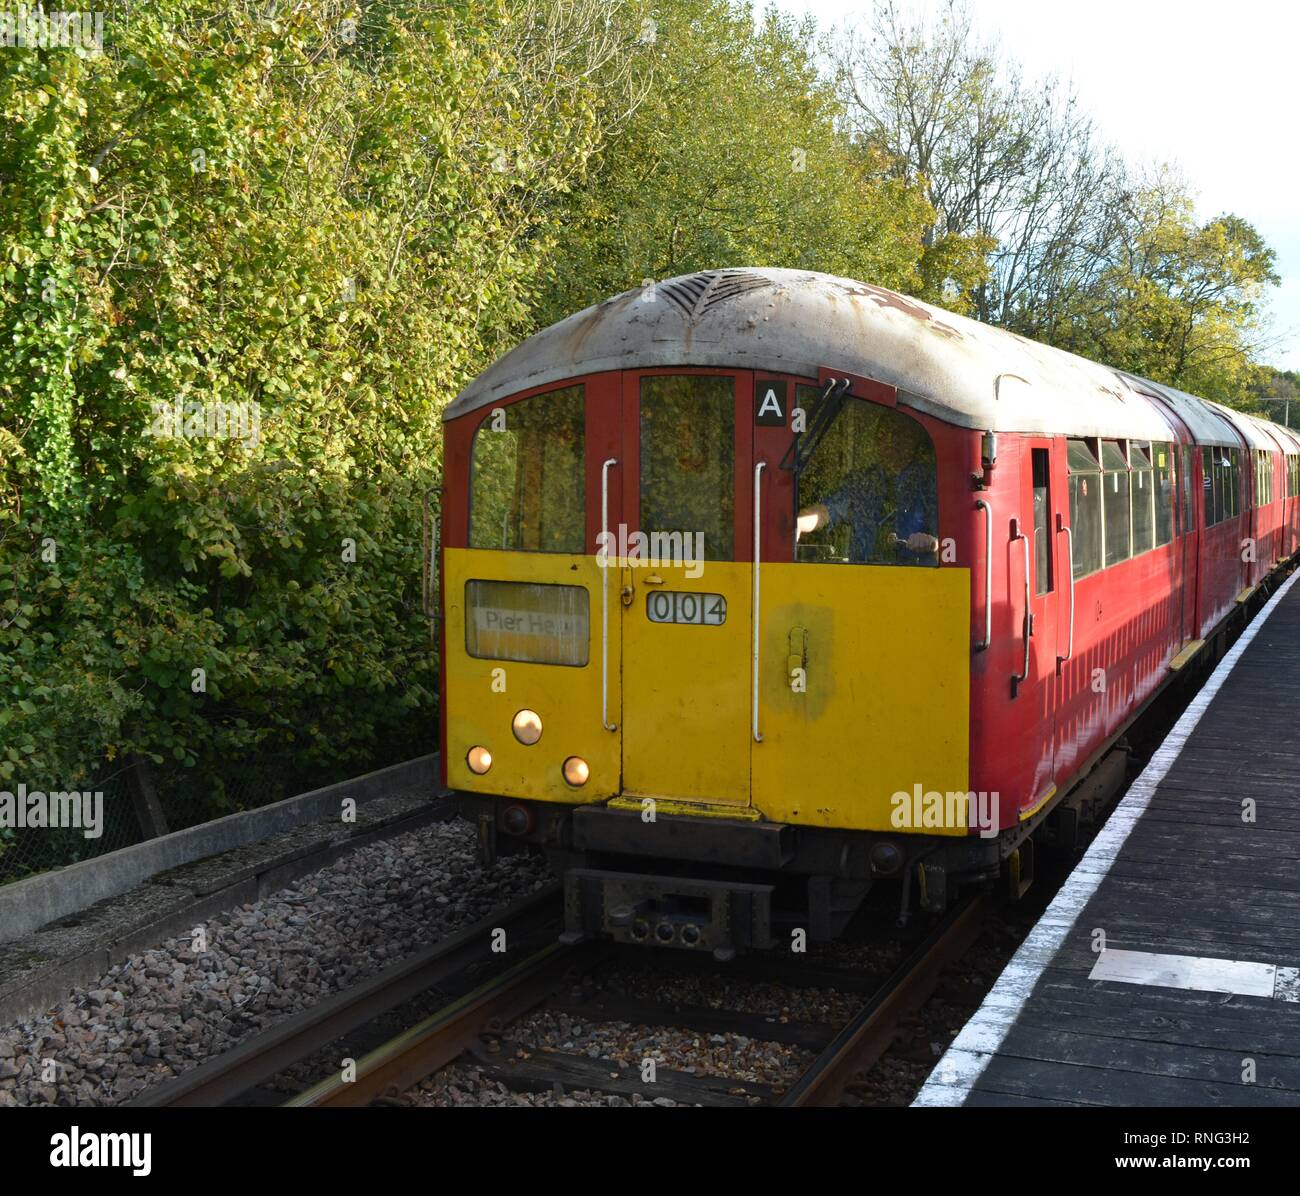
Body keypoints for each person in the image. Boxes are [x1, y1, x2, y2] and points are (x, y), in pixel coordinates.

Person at [796, 415, 939, 564]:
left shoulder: (929, 483)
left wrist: (933, 543)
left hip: (917, 578)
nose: (894, 441)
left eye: (903, 435)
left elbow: (952, 544)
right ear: (878, 441)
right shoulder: (861, 482)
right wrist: (799, 524)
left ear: (915, 443)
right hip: (861, 576)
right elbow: (826, 511)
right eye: (887, 434)